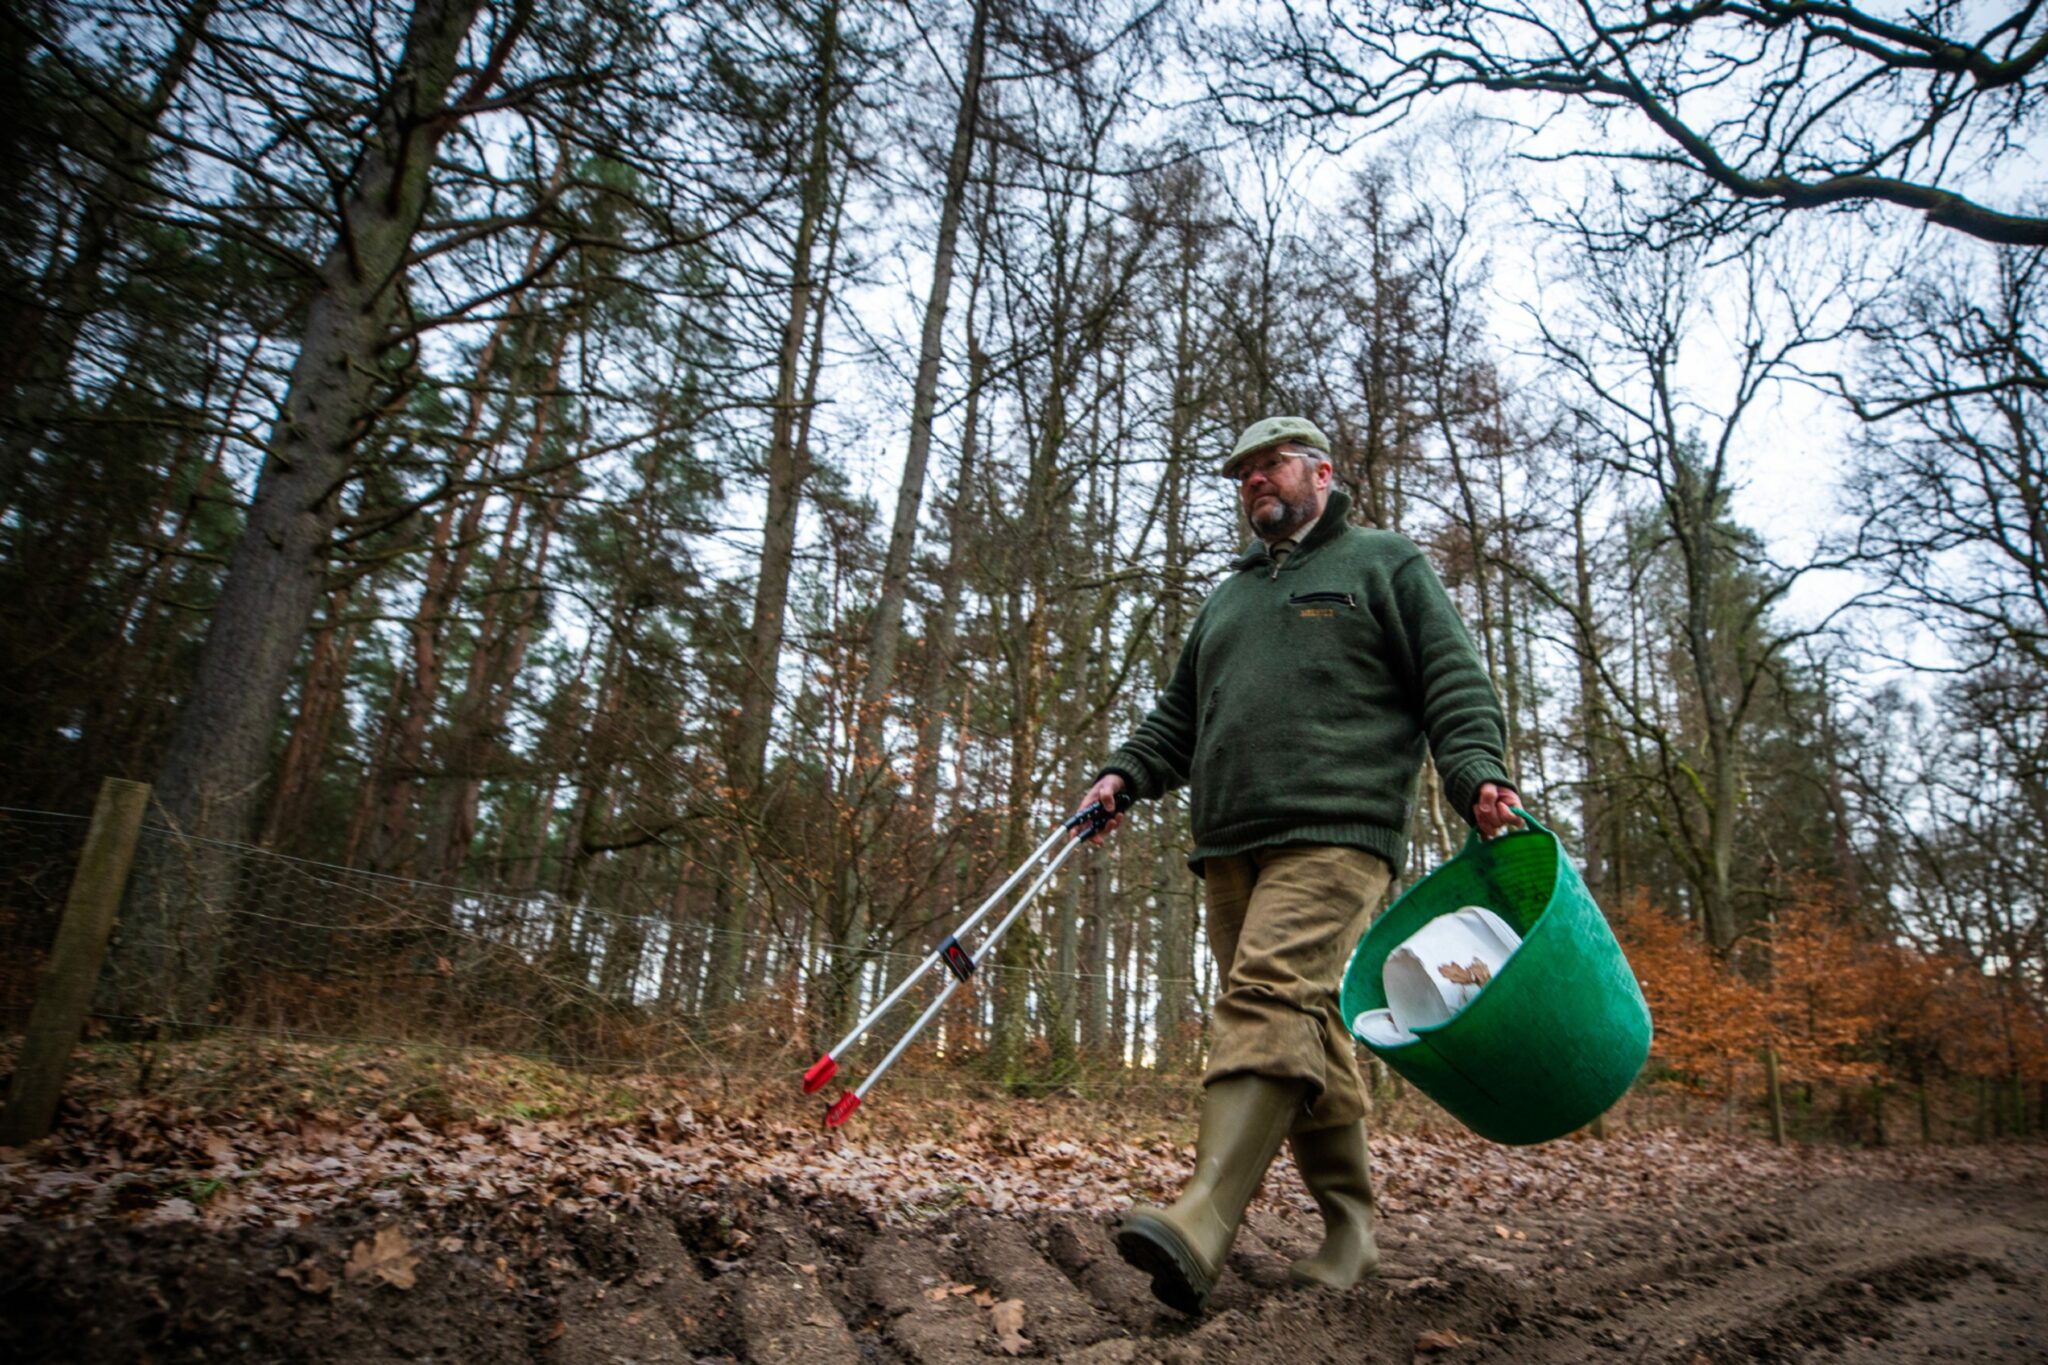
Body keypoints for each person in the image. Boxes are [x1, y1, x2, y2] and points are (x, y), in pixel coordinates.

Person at [1078, 415, 1523, 1314]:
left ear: (1321, 471)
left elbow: (1453, 681)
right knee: (1308, 1021)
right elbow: (1178, 718)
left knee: (1268, 993)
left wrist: (1476, 773)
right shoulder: (1228, 599)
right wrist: (1126, 772)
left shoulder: (1381, 564)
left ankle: (1205, 1215)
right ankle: (1351, 1229)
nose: (1253, 482)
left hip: (1338, 830)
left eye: (1269, 465)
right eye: (1241, 473)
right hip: (1230, 843)